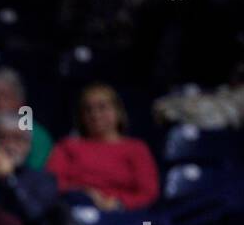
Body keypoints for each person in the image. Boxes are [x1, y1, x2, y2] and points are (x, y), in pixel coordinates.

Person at [45, 82, 159, 211]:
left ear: (118, 111)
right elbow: (51, 182)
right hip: (75, 209)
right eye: (88, 109)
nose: (95, 114)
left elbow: (148, 192)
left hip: (123, 214)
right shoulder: (67, 146)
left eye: (102, 107)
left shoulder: (136, 149)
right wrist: (84, 194)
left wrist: (117, 203)